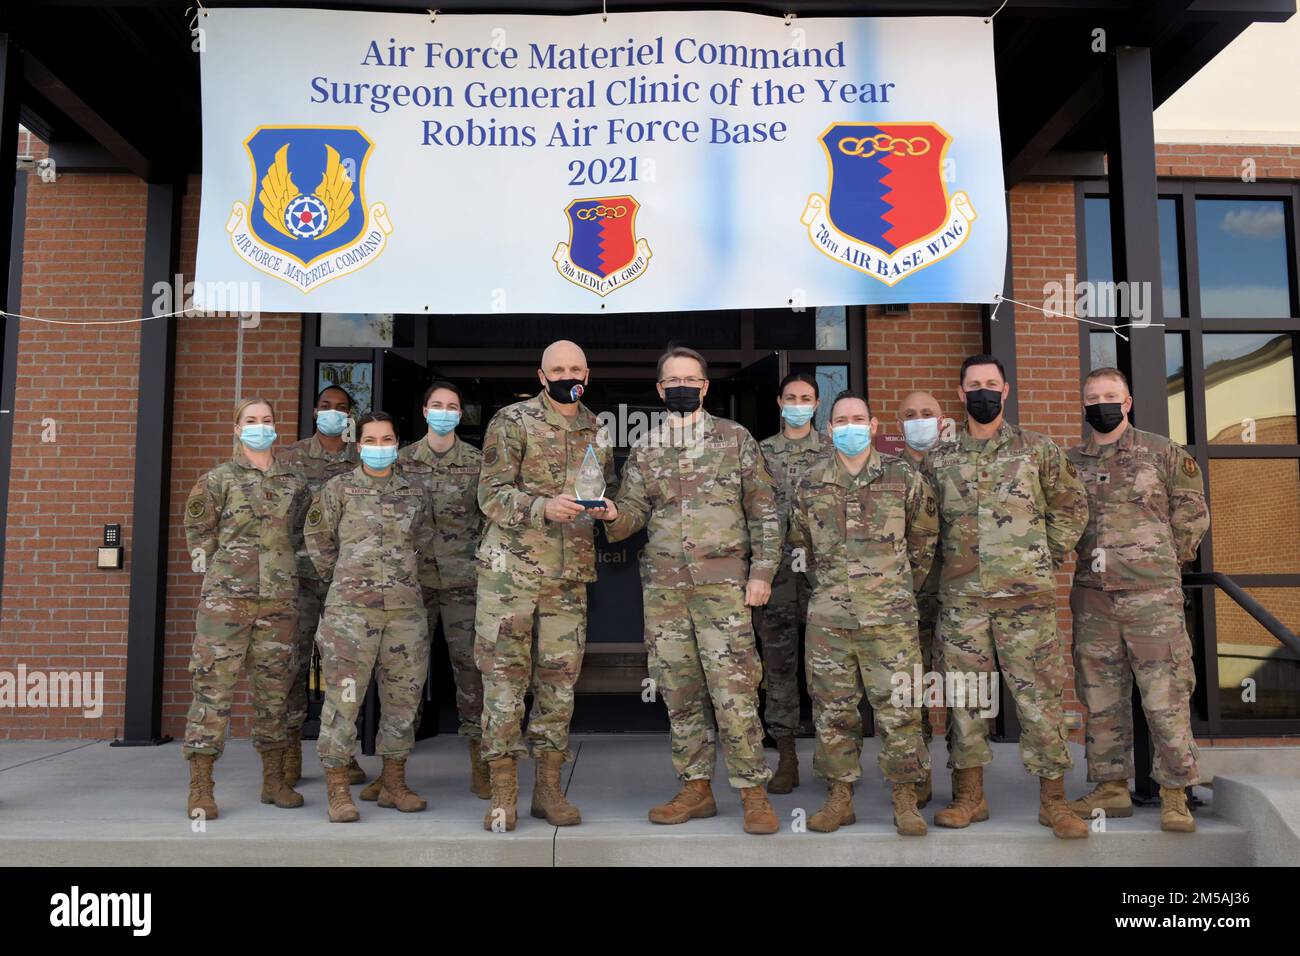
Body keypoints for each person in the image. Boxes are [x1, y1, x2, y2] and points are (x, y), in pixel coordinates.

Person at [605, 346, 782, 835]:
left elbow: (765, 511)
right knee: (680, 694)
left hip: (723, 590)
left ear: (705, 386)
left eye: (691, 379)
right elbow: (634, 513)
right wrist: (611, 515)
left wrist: (762, 572)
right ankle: (696, 788)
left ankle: (753, 792)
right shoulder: (647, 447)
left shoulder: (735, 438)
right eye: (672, 380)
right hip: (665, 593)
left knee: (734, 692)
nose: (682, 386)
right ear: (660, 391)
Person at [921, 354, 1090, 839]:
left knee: (1040, 699)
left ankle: (1054, 802)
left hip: (1026, 601)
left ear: (1006, 390)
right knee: (964, 700)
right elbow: (925, 527)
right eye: (973, 385)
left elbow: (1071, 506)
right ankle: (970, 797)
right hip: (962, 601)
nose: (982, 392)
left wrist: (1044, 557)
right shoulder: (940, 457)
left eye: (991, 384)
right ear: (960, 393)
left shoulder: (1037, 449)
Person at [474, 340, 617, 831]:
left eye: (575, 368)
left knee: (559, 684)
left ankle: (548, 791)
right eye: (558, 369)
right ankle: (503, 792)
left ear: (587, 373)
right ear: (541, 375)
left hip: (567, 576)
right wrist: (541, 507)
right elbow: (490, 495)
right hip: (509, 576)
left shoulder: (596, 426)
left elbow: (601, 488)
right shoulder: (510, 422)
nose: (567, 375)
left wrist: (600, 507)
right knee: (504, 683)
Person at [1065, 367, 1210, 832]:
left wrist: (1163, 564)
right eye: (1093, 396)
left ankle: (1174, 792)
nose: (1101, 403)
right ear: (1084, 403)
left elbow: (1191, 513)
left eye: (1110, 395)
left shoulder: (1163, 453)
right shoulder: (1070, 462)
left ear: (1127, 402)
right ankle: (1111, 787)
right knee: (1100, 697)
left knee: (1165, 697)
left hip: (1151, 598)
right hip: (1094, 599)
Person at [788, 391, 937, 835]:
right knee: (833, 712)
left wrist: (894, 590)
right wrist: (831, 591)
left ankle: (905, 799)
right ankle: (840, 798)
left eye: (858, 419)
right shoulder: (810, 482)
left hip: (890, 619)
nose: (850, 426)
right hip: (830, 621)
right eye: (841, 420)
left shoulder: (903, 476)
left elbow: (924, 542)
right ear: (829, 429)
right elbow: (801, 549)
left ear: (872, 426)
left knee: (901, 710)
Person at [305, 412, 439, 823]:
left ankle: (393, 783)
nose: (379, 447)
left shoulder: (415, 493)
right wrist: (346, 581)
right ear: (358, 445)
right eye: (371, 440)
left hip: (405, 612)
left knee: (403, 700)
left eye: (387, 439)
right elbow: (318, 541)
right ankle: (338, 788)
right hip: (351, 615)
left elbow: (424, 540)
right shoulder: (338, 489)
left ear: (397, 444)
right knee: (344, 700)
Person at [182, 397, 312, 819]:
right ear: (237, 429)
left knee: (274, 692)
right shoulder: (218, 479)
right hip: (226, 604)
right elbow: (198, 532)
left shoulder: (295, 481)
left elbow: (305, 536)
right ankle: (201, 785)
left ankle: (274, 781)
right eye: (251, 421)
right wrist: (219, 577)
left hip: (278, 603)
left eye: (267, 420)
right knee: (212, 690)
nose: (260, 426)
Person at [359, 381, 488, 802]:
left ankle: (481, 765)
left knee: (472, 674)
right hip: (409, 585)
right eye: (437, 405)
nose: (445, 411)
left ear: (460, 414)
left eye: (452, 406)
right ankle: (392, 772)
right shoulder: (401, 459)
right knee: (401, 679)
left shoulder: (477, 460)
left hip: (463, 582)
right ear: (424, 410)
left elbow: (491, 516)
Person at [276, 385, 362, 788]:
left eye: (341, 408)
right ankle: (291, 750)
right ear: (314, 412)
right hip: (299, 578)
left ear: (350, 415)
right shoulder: (290, 458)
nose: (333, 413)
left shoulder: (361, 457)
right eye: (326, 407)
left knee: (346, 668)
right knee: (292, 664)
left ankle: (343, 754)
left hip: (347, 580)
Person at [753, 370, 831, 793]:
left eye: (806, 397)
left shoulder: (835, 450)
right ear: (780, 403)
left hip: (825, 578)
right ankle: (785, 756)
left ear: (817, 404)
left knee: (827, 671)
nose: (798, 403)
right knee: (779, 669)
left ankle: (831, 757)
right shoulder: (760, 453)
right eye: (791, 397)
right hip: (777, 577)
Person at [895, 390, 947, 806]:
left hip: (959, 593)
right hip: (910, 598)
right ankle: (920, 772)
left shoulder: (960, 463)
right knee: (915, 688)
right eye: (910, 415)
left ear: (942, 418)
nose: (919, 420)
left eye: (927, 413)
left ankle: (969, 783)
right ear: (899, 426)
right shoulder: (889, 472)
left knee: (965, 690)